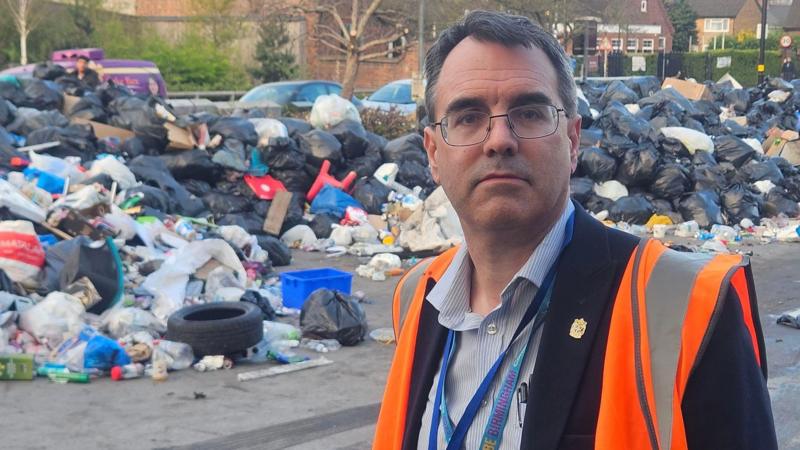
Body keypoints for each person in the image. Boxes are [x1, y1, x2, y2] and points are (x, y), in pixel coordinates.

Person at [374, 10, 777, 450]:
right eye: (468, 117)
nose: (499, 139)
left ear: (571, 141)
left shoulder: (686, 307)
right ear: (433, 153)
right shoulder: (418, 298)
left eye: (529, 113)